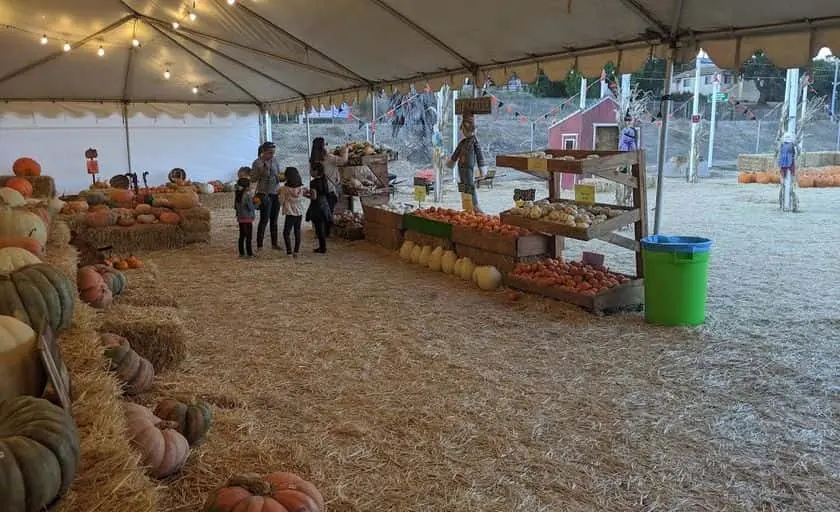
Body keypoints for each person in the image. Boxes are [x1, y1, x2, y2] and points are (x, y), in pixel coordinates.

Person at [446, 113, 487, 214]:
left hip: (469, 168)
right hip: (461, 167)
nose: (463, 131)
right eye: (463, 129)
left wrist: (482, 169)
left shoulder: (474, 142)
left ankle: (475, 205)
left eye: (465, 129)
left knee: (470, 185)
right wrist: (451, 162)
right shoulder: (462, 142)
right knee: (464, 186)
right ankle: (466, 205)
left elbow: (479, 155)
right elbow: (456, 154)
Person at [251, 142, 283, 250]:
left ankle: (274, 244)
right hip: (264, 194)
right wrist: (262, 171)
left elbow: (279, 175)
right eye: (270, 152)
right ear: (263, 152)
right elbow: (253, 178)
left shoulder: (275, 161)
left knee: (274, 220)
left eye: (273, 152)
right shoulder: (257, 163)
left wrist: (281, 178)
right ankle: (260, 245)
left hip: (275, 192)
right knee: (264, 220)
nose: (272, 155)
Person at [309, 136, 348, 214]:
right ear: (323, 147)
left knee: (322, 212)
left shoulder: (312, 160)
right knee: (329, 212)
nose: (327, 145)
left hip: (319, 190)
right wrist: (345, 151)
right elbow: (343, 161)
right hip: (330, 189)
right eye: (326, 144)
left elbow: (313, 174)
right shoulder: (329, 158)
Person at [279, 167, 307, 258]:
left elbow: (281, 201)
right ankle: (296, 251)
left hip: (290, 212)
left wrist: (278, 196)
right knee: (297, 231)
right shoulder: (301, 188)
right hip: (299, 212)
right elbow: (303, 198)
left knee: (286, 232)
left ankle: (289, 252)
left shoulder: (284, 188)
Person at [305, 163, 332, 254]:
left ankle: (322, 248)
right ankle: (323, 247)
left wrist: (305, 194)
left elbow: (314, 197)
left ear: (316, 171)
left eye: (311, 170)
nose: (310, 172)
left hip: (317, 206)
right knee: (322, 227)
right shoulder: (324, 180)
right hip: (324, 205)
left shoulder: (313, 182)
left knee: (319, 229)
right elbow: (321, 192)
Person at [234, 177, 256, 258]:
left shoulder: (237, 193)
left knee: (242, 236)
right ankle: (250, 253)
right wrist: (257, 203)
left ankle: (241, 253)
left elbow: (235, 207)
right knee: (249, 237)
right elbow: (250, 207)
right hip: (248, 218)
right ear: (247, 186)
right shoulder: (247, 195)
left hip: (240, 217)